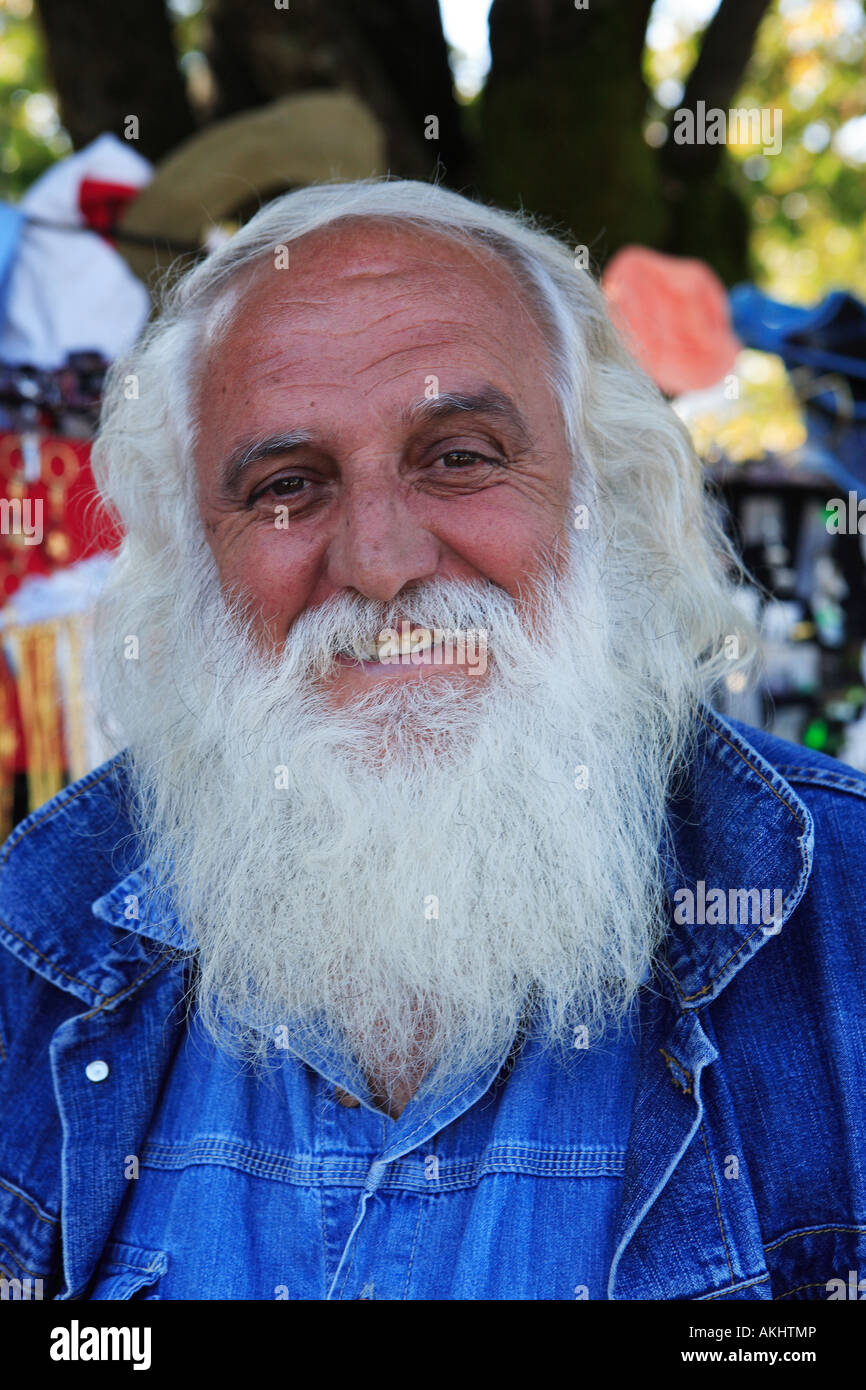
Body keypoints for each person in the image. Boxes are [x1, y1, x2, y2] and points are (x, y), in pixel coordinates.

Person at [0, 179, 863, 1302]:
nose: (379, 560)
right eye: (285, 486)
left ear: (604, 489)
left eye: (457, 455)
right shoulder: (34, 948)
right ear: (189, 562)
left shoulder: (840, 923)